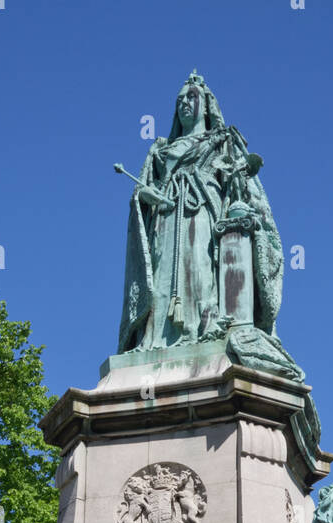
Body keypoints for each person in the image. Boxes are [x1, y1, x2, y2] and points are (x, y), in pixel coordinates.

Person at [118, 72, 282, 354]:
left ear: (206, 105)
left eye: (191, 97)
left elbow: (244, 190)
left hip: (203, 212)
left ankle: (202, 330)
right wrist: (144, 194)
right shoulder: (160, 149)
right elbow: (142, 193)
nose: (184, 103)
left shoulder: (221, 141)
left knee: (200, 270)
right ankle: (155, 339)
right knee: (160, 277)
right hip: (165, 216)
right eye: (179, 99)